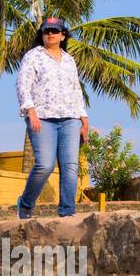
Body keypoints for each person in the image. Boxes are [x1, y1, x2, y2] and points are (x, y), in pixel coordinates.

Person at [15, 16, 88, 219]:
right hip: (43, 118)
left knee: (70, 166)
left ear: (62, 35)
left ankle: (67, 212)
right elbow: (22, 84)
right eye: (46, 31)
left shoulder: (69, 60)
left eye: (54, 31)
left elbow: (76, 90)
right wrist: (31, 111)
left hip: (70, 118)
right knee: (45, 165)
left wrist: (84, 119)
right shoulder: (33, 56)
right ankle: (26, 203)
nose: (50, 34)